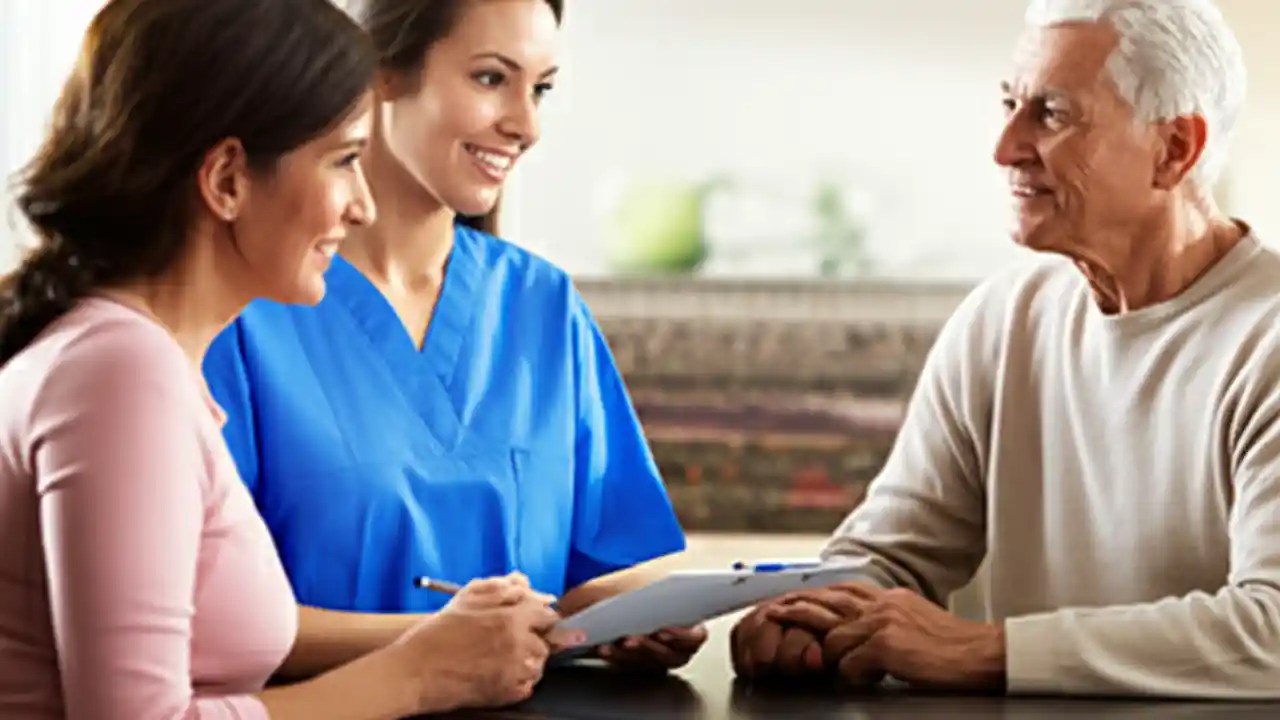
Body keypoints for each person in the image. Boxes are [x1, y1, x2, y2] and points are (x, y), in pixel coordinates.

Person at [0, 0, 578, 717]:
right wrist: (418, 677)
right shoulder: (120, 377)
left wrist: (446, 644)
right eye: (342, 163)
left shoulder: (131, 364)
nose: (362, 206)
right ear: (228, 181)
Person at [731, 0, 1280, 699]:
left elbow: (1273, 631)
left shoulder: (1268, 340)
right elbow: (891, 554)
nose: (1005, 148)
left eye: (1051, 113)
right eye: (1009, 104)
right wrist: (811, 616)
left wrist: (989, 650)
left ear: (1174, 150)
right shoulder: (1003, 318)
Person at [201, 0, 705, 673]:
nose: (526, 125)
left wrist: (636, 619)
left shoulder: (542, 304)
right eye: (491, 79)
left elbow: (603, 567)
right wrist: (440, 649)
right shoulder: (245, 306)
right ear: (380, 73)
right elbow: (200, 618)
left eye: (542, 89)